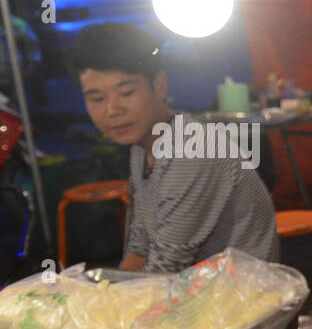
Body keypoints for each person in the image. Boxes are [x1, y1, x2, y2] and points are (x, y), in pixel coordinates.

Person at [71, 23, 278, 273]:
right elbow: (140, 247)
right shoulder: (144, 147)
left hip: (242, 301)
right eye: (96, 99)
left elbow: (164, 268)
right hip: (190, 293)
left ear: (159, 85)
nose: (112, 110)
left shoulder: (190, 152)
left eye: (126, 92)